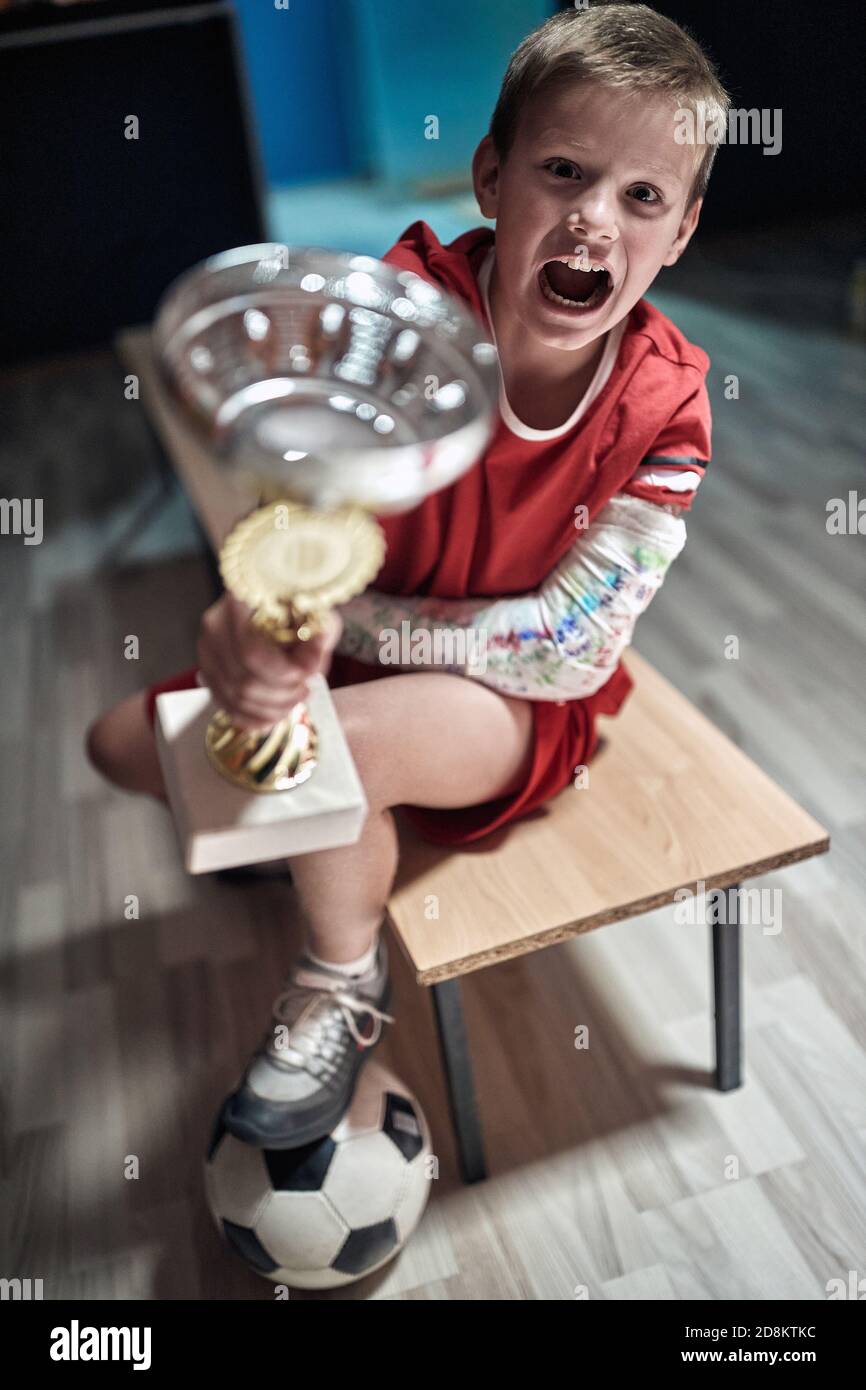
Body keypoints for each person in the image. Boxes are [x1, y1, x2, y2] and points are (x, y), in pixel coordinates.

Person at [86, 4, 728, 1150]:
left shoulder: (665, 404)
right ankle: (299, 819)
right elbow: (302, 519)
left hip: (504, 698)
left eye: (640, 197)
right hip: (356, 649)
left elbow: (568, 644)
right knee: (119, 748)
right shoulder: (395, 317)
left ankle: (340, 981)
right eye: (563, 171)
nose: (591, 218)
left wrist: (347, 647)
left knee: (329, 745)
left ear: (679, 232)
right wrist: (258, 618)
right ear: (490, 176)